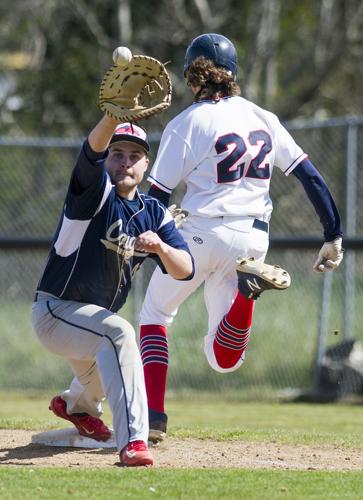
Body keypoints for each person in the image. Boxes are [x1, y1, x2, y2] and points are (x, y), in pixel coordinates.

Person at [139, 33, 344, 442]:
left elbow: (157, 195)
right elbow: (309, 175)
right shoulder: (263, 117)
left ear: (194, 77)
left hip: (199, 232)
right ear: (233, 74)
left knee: (155, 315)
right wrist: (333, 234)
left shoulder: (188, 122)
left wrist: (141, 243)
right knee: (224, 360)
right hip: (252, 239)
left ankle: (155, 417)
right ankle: (247, 296)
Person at [31, 116, 194, 466]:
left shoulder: (154, 211)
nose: (125, 162)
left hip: (90, 326)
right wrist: (113, 116)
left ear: (146, 164)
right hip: (55, 311)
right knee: (120, 334)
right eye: (117, 153)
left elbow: (186, 269)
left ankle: (76, 406)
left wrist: (162, 250)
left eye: (134, 156)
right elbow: (90, 152)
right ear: (108, 158)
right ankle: (134, 440)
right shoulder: (93, 193)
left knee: (114, 359)